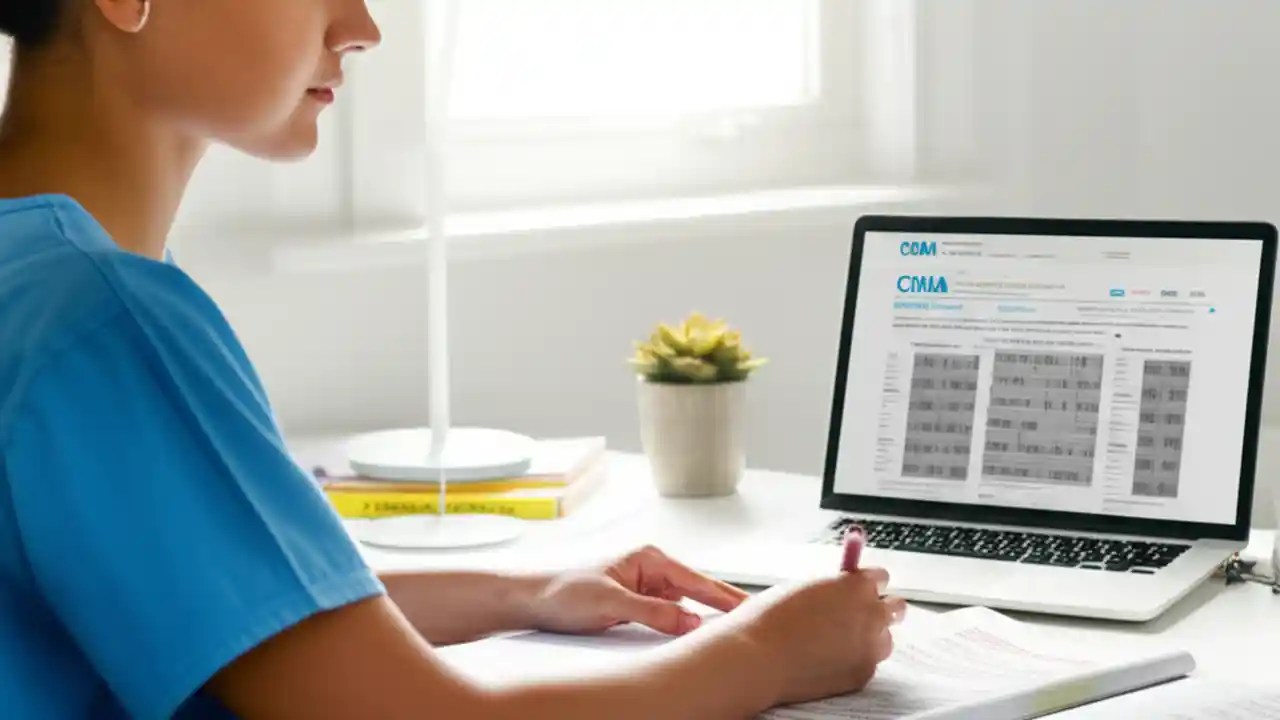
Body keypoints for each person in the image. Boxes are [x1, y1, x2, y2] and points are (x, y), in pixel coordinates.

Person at [0, 0, 905, 717]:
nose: (361, 27)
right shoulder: (103, 320)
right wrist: (767, 654)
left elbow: (233, 600)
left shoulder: (37, 281)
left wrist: (524, 592)